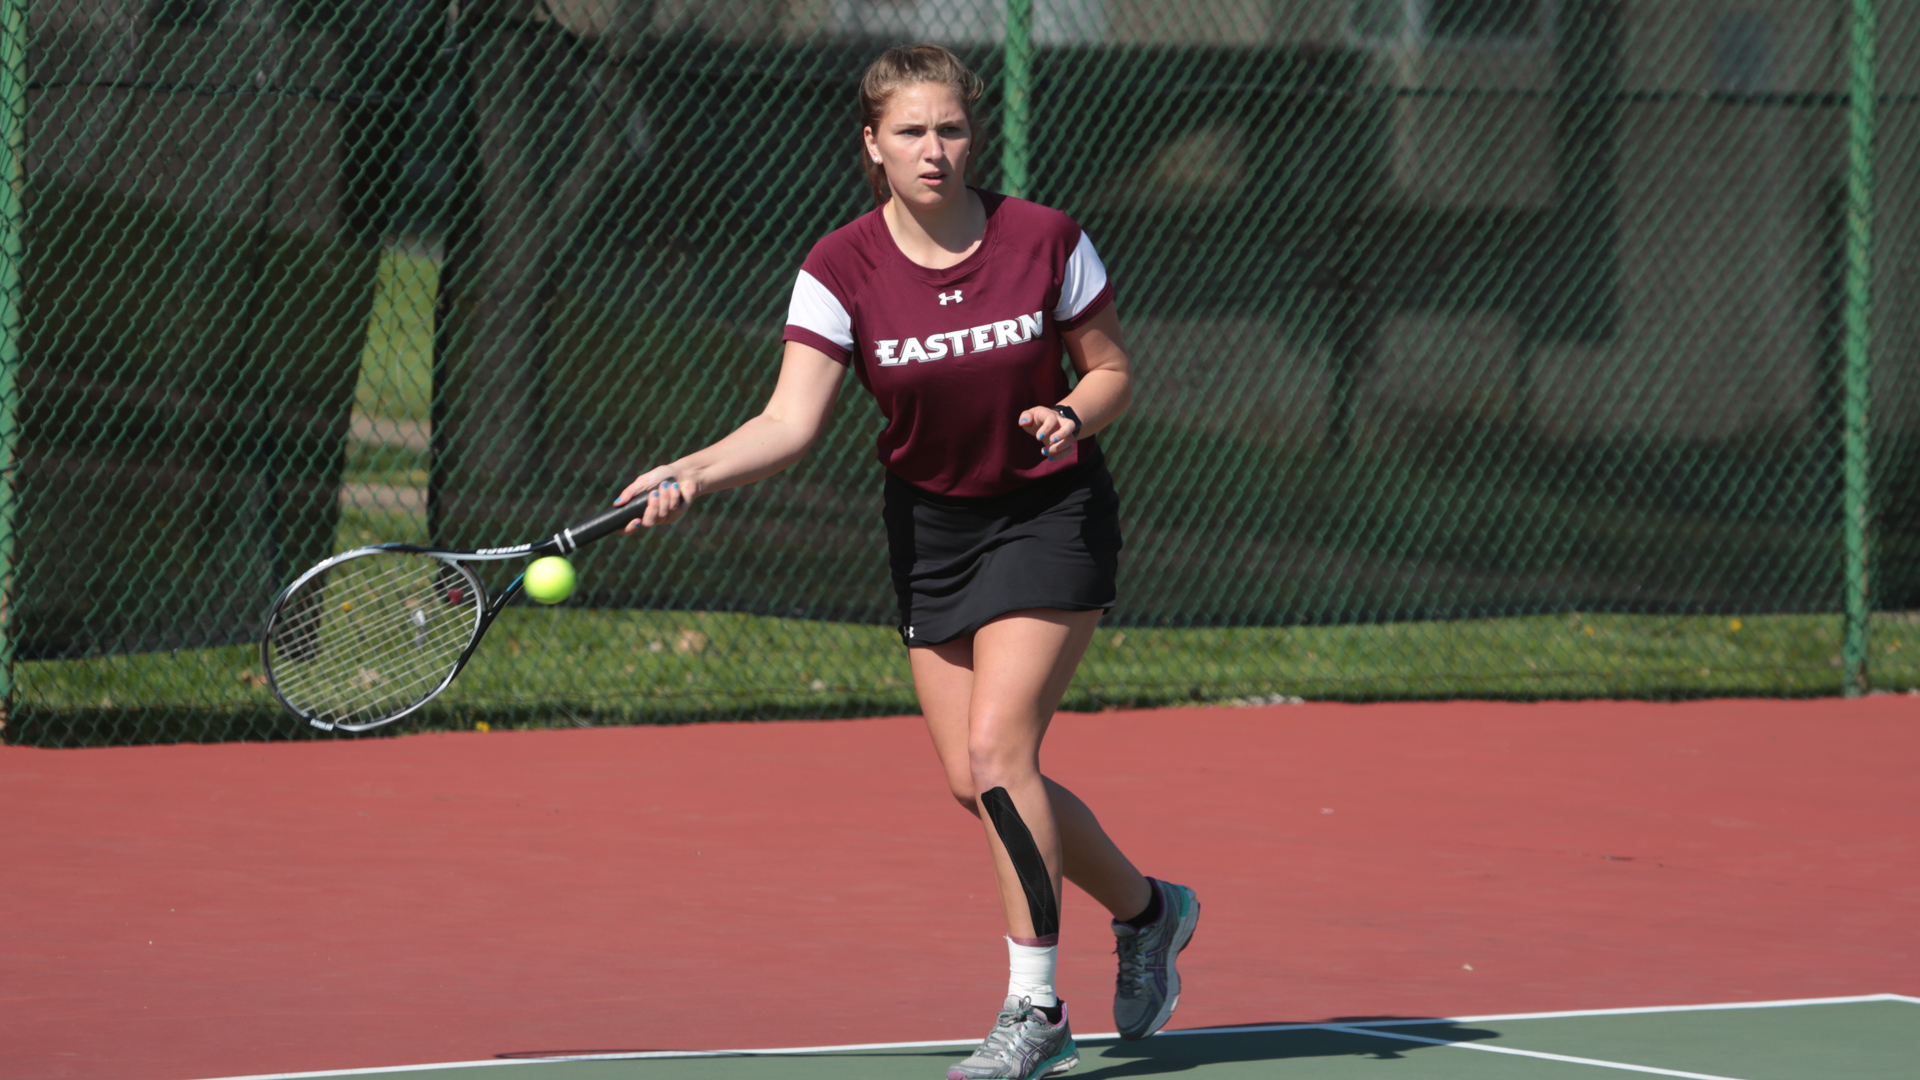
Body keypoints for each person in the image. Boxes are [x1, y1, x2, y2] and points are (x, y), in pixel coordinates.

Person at [615, 43, 1197, 1080]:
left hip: (1050, 514)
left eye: (953, 130)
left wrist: (1070, 413)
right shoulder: (840, 267)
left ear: (975, 136)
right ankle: (1152, 912)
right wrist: (692, 470)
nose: (936, 151)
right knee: (979, 784)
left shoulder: (1045, 239)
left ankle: (1034, 1011)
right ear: (873, 147)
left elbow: (1112, 370)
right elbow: (789, 421)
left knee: (996, 752)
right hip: (933, 531)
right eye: (912, 134)